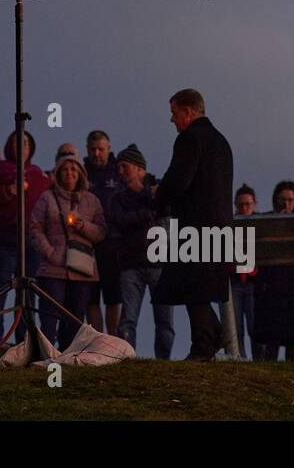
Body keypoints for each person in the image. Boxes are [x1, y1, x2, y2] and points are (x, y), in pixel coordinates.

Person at [152, 88, 234, 361]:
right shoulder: (221, 142)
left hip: (194, 225)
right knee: (196, 285)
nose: (172, 120)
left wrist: (158, 195)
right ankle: (213, 335)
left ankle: (203, 345)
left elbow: (179, 180)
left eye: (174, 113)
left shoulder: (189, 139)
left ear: (187, 112)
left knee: (190, 285)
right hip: (219, 226)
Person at [0, 130, 52, 346]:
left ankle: (25, 339)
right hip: (3, 239)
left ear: (32, 147)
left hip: (31, 243)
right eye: (18, 142)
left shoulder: (38, 174)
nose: (22, 146)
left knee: (28, 291)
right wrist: (6, 191)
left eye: (26, 142)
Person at [30, 155, 106, 350]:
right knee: (49, 315)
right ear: (57, 173)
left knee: (75, 316)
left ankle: (68, 356)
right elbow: (35, 228)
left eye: (73, 169)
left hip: (82, 269)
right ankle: (45, 354)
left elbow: (101, 233)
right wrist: (50, 252)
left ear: (80, 173)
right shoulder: (47, 198)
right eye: (65, 169)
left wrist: (83, 226)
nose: (69, 173)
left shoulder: (92, 200)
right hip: (53, 268)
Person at [109, 144, 175, 358]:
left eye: (124, 167)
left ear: (140, 169)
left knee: (164, 320)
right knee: (128, 318)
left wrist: (144, 196)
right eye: (118, 167)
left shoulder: (158, 190)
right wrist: (146, 214)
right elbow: (118, 221)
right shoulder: (118, 198)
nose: (120, 172)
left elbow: (167, 210)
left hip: (158, 262)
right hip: (131, 263)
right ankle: (127, 359)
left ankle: (163, 360)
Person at [253, 181, 294, 361]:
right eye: (283, 199)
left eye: (290, 200)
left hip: (292, 283)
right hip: (271, 284)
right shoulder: (266, 220)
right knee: (271, 337)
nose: (286, 203)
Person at [83, 130, 122, 335]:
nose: (96, 153)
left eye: (101, 149)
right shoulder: (82, 171)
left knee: (113, 296)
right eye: (92, 149)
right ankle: (97, 340)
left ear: (108, 149)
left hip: (113, 243)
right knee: (91, 297)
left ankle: (113, 340)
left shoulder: (119, 171)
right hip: (87, 242)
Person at [229, 184, 258, 359]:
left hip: (254, 281)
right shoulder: (231, 224)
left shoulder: (260, 225)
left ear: (254, 204)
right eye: (241, 205)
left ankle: (258, 359)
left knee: (255, 325)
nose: (244, 208)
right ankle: (240, 358)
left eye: (248, 204)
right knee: (236, 326)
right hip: (235, 281)